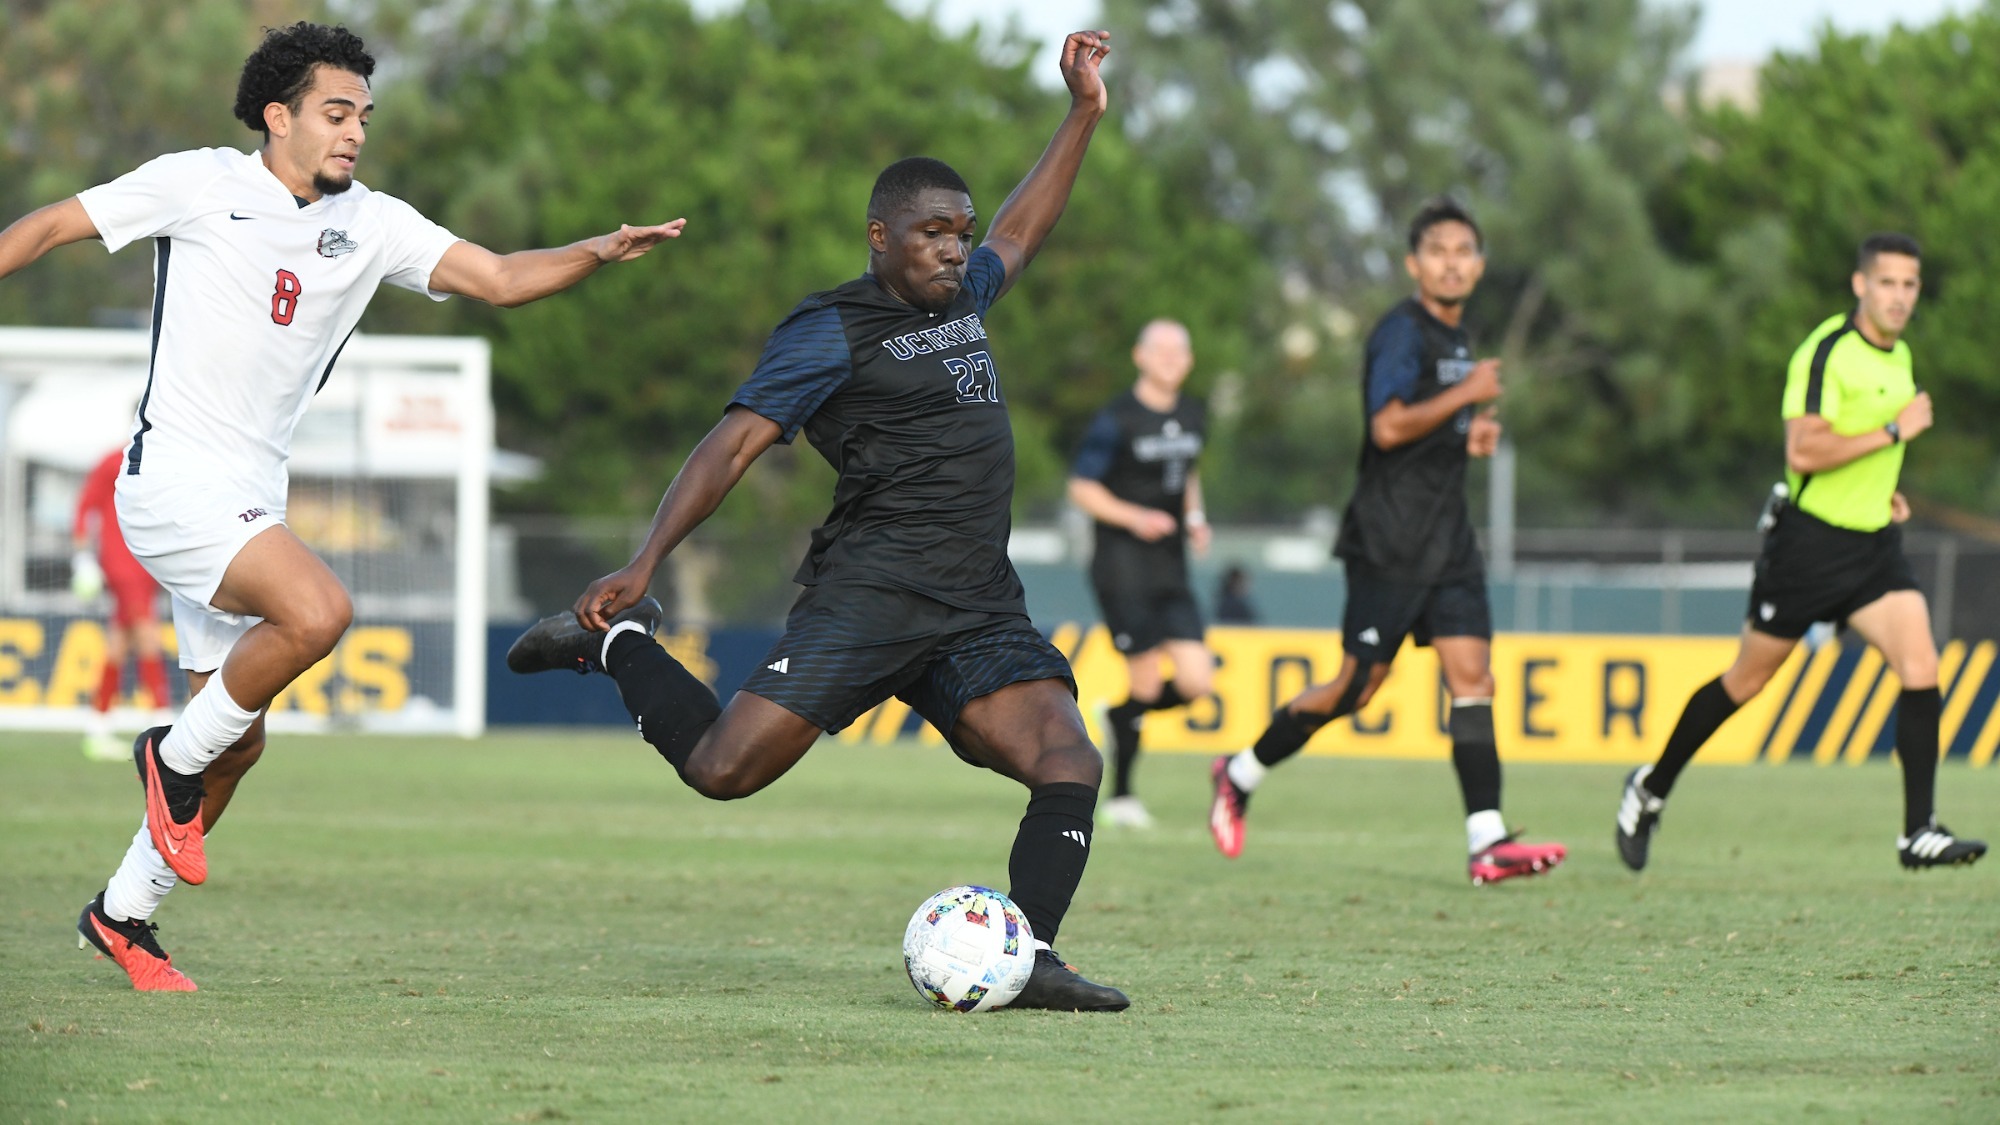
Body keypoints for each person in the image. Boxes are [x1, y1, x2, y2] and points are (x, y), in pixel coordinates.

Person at [0, 21, 685, 991]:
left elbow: (498, 278)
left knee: (239, 745)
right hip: (171, 482)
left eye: (364, 114)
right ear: (277, 117)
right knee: (318, 613)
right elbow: (44, 228)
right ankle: (167, 759)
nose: (355, 130)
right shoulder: (198, 182)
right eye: (335, 112)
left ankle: (122, 912)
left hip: (249, 498)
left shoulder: (374, 223)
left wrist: (599, 249)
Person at [508, 31, 1128, 1011]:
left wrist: (1082, 112)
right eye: (932, 232)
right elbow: (732, 447)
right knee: (722, 770)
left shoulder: (963, 296)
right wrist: (645, 559)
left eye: (960, 232)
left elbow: (1022, 228)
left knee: (1067, 758)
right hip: (871, 591)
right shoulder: (829, 328)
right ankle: (616, 645)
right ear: (880, 236)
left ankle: (1030, 955)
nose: (954, 248)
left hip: (973, 598)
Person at [1207, 198, 1568, 885]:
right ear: (1413, 265)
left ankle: (1487, 839)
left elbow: (1427, 428)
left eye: (1464, 252)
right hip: (1391, 539)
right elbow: (1388, 427)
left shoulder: (1458, 338)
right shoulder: (1402, 331)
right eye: (1438, 252)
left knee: (1474, 678)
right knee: (1355, 688)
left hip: (1448, 539)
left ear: (1479, 265)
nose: (1452, 264)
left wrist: (1468, 433)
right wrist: (1466, 399)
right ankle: (1240, 770)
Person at [1616, 233, 1985, 872]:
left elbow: (1861, 453)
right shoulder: (1826, 351)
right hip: (1808, 548)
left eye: (1910, 285)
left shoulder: (1900, 356)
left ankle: (1917, 832)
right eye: (1888, 283)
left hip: (1874, 547)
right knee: (1747, 680)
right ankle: (1650, 787)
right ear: (1861, 285)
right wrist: (1894, 430)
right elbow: (1805, 450)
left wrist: (1883, 490)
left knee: (1920, 663)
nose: (1899, 297)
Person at [1067, 319, 1214, 829]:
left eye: (1180, 351)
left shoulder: (1194, 413)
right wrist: (1135, 518)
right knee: (1147, 684)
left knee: (1197, 681)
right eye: (1161, 350)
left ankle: (1118, 715)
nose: (1171, 359)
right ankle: (1123, 797)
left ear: (1189, 361)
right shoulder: (1118, 418)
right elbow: (1082, 488)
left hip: (1171, 566)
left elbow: (1187, 472)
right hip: (1122, 564)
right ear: (1140, 356)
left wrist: (1194, 518)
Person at [72, 447, 175, 761]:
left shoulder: (166, 459)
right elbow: (86, 505)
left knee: (119, 642)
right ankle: (162, 723)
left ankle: (98, 727)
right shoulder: (114, 461)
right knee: (148, 637)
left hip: (146, 564)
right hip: (123, 562)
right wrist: (83, 558)